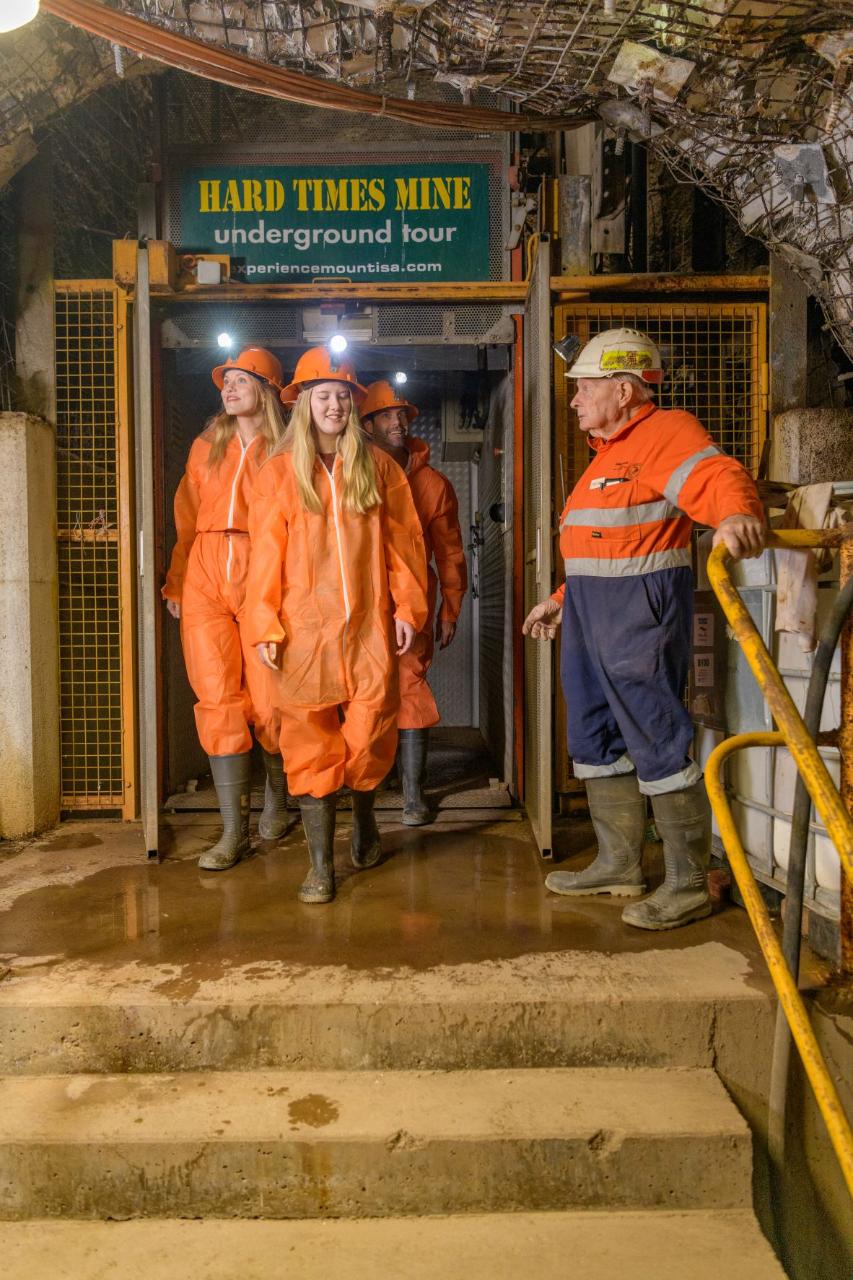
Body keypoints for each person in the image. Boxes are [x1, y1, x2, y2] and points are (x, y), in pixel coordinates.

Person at [522, 328, 765, 930]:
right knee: (594, 735)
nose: (575, 400)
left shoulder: (666, 433)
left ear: (624, 389)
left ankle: (685, 885)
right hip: (589, 613)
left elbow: (716, 475)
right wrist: (561, 599)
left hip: (639, 613)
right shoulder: (605, 457)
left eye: (584, 388)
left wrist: (736, 513)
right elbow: (603, 544)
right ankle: (618, 864)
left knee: (655, 734)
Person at [246, 347, 429, 905]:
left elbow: (405, 547)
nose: (334, 406)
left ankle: (366, 819)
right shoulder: (279, 473)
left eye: (342, 397)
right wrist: (265, 624)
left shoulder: (380, 469)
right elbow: (264, 558)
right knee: (308, 739)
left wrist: (408, 610)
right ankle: (321, 864)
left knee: (371, 730)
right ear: (302, 404)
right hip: (303, 629)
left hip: (369, 625)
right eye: (322, 396)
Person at [163, 346, 289, 872]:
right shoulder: (206, 445)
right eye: (225, 381)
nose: (228, 388)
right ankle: (234, 831)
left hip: (265, 565)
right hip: (207, 569)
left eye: (240, 379)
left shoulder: (287, 448)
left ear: (266, 387)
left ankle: (279, 801)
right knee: (217, 697)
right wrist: (177, 581)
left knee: (270, 699)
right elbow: (187, 519)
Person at [360, 379, 468, 824]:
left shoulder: (434, 485)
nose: (397, 421)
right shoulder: (350, 472)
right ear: (366, 424)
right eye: (386, 414)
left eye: (402, 414)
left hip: (414, 598)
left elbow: (450, 553)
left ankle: (412, 792)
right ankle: (369, 778)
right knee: (362, 689)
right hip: (358, 597)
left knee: (408, 686)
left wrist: (450, 609)